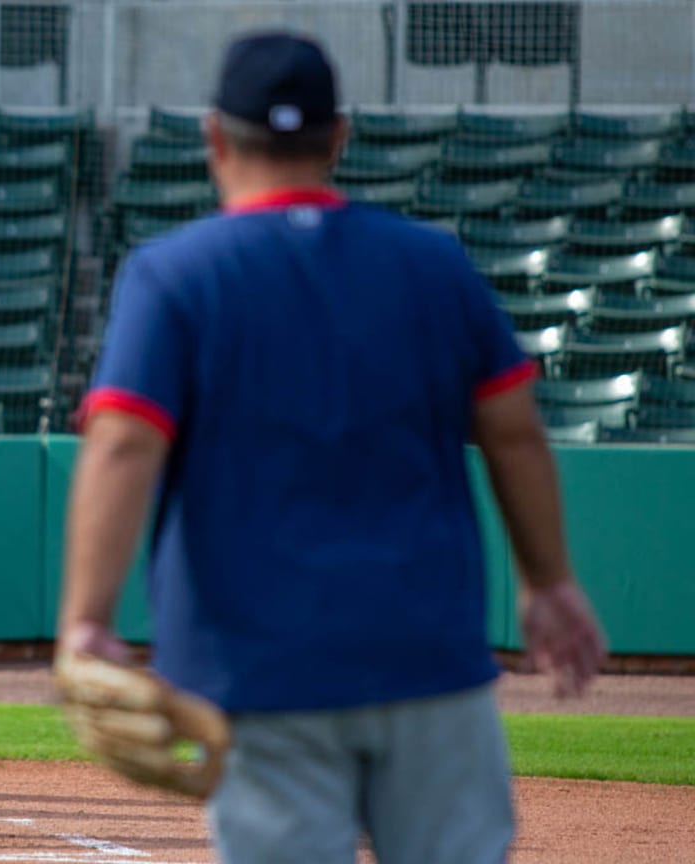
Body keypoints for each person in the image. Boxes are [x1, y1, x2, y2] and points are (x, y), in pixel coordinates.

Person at [56, 32, 606, 864]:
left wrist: (86, 620)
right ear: (339, 136)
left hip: (258, 669)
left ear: (214, 137)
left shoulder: (175, 272)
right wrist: (549, 581)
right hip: (428, 657)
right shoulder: (433, 263)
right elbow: (514, 430)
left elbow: (124, 446)